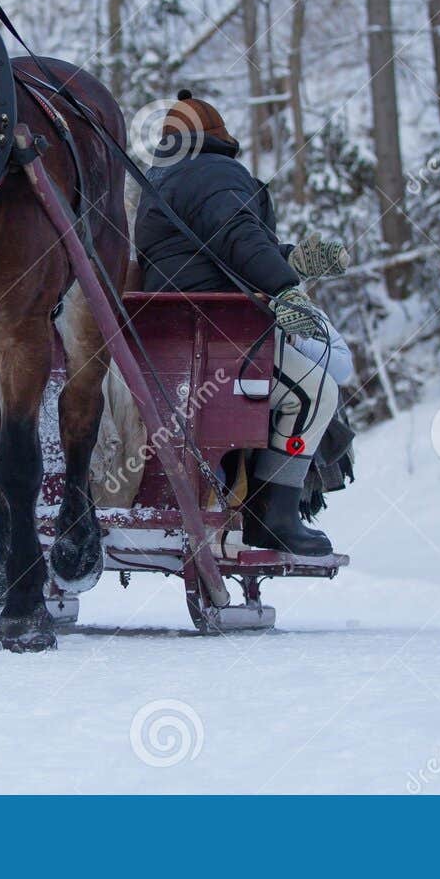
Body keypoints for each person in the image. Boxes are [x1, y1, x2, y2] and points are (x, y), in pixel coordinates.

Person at [134, 89, 351, 556]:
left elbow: (213, 251)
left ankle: (255, 502)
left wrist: (295, 261)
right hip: (219, 338)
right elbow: (238, 233)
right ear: (219, 138)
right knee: (316, 392)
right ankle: (275, 516)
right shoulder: (215, 172)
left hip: (171, 340)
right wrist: (285, 287)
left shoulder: (160, 184)